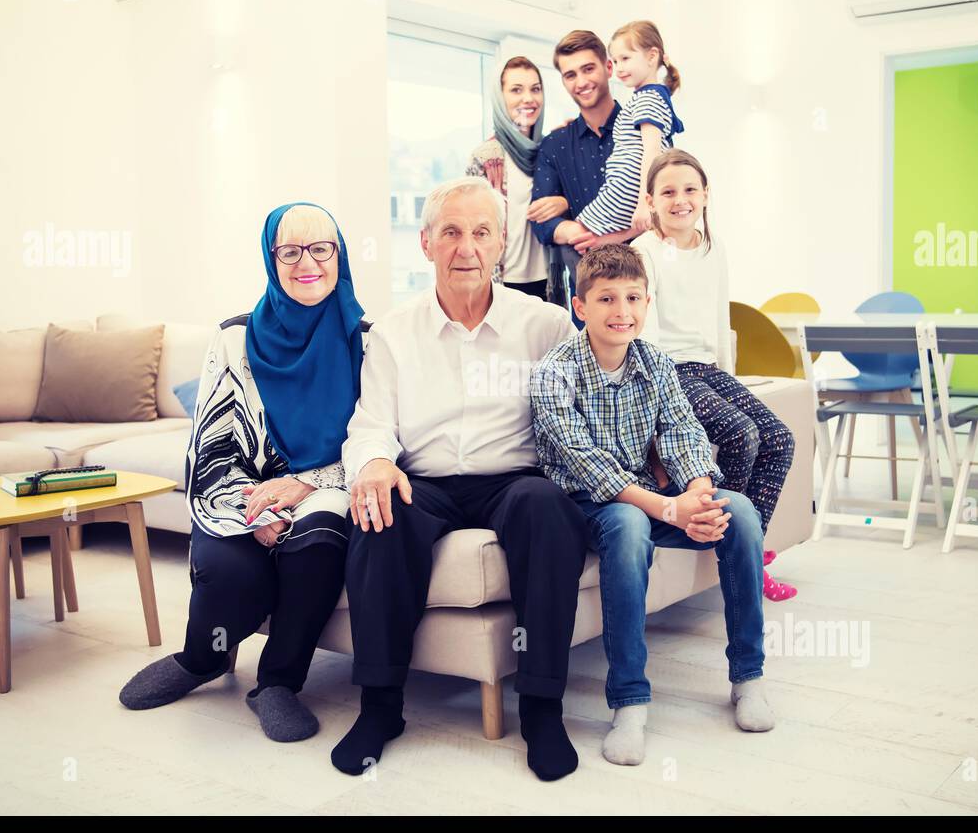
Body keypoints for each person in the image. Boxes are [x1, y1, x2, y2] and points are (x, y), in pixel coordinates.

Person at [332, 176, 588, 782]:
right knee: (379, 515)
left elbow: (585, 407)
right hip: (427, 479)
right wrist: (372, 463)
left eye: (481, 233)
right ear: (425, 244)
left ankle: (543, 709)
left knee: (547, 509)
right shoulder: (393, 332)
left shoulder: (547, 325)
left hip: (514, 478)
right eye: (451, 232)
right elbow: (370, 423)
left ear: (501, 243)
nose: (465, 248)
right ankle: (380, 707)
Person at [119, 203, 364, 743]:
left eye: (321, 248)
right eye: (290, 250)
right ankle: (200, 659)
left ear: (339, 255)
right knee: (233, 569)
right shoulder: (234, 338)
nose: (308, 263)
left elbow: (379, 440)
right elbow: (209, 446)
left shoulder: (364, 340)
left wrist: (306, 486)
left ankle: (277, 683)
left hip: (328, 488)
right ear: (270, 258)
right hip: (244, 494)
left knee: (320, 540)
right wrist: (253, 505)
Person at [530, 244, 774, 768]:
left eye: (633, 298)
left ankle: (747, 678)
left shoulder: (656, 363)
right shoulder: (555, 373)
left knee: (742, 515)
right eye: (607, 299)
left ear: (647, 303)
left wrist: (699, 498)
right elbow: (589, 466)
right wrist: (670, 511)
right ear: (580, 307)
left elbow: (684, 432)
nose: (622, 311)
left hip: (657, 497)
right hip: (591, 505)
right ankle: (630, 703)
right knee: (628, 527)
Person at [635, 149, 798, 601]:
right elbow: (643, 341)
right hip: (669, 372)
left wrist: (731, 381)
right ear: (651, 201)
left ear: (705, 196)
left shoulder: (714, 248)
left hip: (707, 370)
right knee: (742, 434)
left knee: (780, 439)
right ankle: (735, 556)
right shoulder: (644, 253)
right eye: (667, 192)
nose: (680, 199)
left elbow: (718, 322)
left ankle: (751, 545)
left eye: (690, 189)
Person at [528, 30, 638, 324]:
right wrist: (582, 234)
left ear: (608, 67)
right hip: (588, 300)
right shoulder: (555, 145)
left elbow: (664, 202)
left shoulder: (644, 130)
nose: (581, 82)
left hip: (645, 290)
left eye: (588, 69)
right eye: (570, 74)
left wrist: (610, 237)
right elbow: (542, 222)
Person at [572, 20, 684, 238]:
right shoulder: (651, 96)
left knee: (575, 239)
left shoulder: (648, 98)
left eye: (625, 58)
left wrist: (644, 202)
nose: (619, 67)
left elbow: (652, 152)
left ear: (652, 56)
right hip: (625, 191)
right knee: (586, 244)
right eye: (615, 60)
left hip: (625, 193)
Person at [465, 56, 552, 300]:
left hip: (548, 283)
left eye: (535, 89)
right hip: (500, 284)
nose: (528, 98)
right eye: (516, 90)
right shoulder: (484, 157)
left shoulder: (552, 150)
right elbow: (471, 226)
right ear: (500, 97)